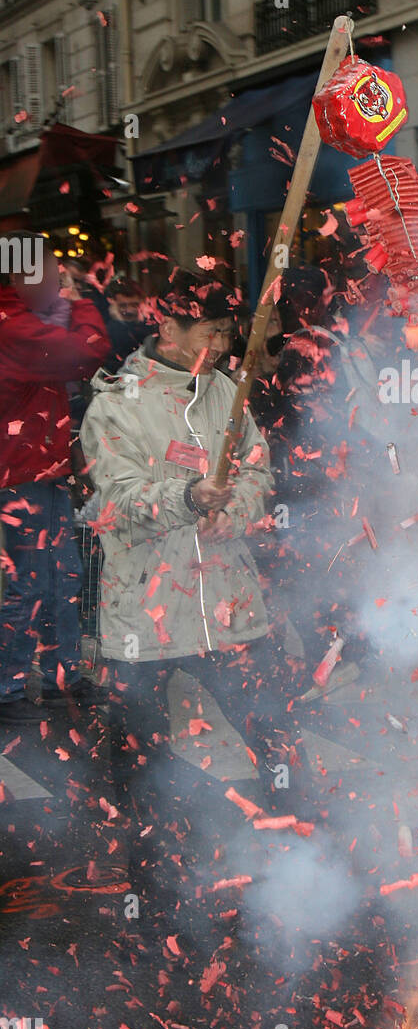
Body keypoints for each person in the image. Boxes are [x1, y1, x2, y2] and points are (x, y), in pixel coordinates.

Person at [79, 271, 312, 919]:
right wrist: (182, 499)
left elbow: (257, 470)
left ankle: (302, 860)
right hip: (143, 618)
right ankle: (150, 892)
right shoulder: (117, 403)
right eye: (209, 329)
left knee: (276, 727)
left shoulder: (227, 392)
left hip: (229, 607)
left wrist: (230, 509)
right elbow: (116, 502)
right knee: (139, 756)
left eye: (226, 330)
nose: (221, 341)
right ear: (168, 328)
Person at [0, 230, 111, 723]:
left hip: (37, 471)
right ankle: (9, 685)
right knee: (31, 581)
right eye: (47, 269)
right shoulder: (12, 324)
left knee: (59, 573)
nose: (56, 278)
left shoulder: (24, 317)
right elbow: (88, 351)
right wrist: (81, 304)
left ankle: (61, 673)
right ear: (20, 275)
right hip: (19, 474)